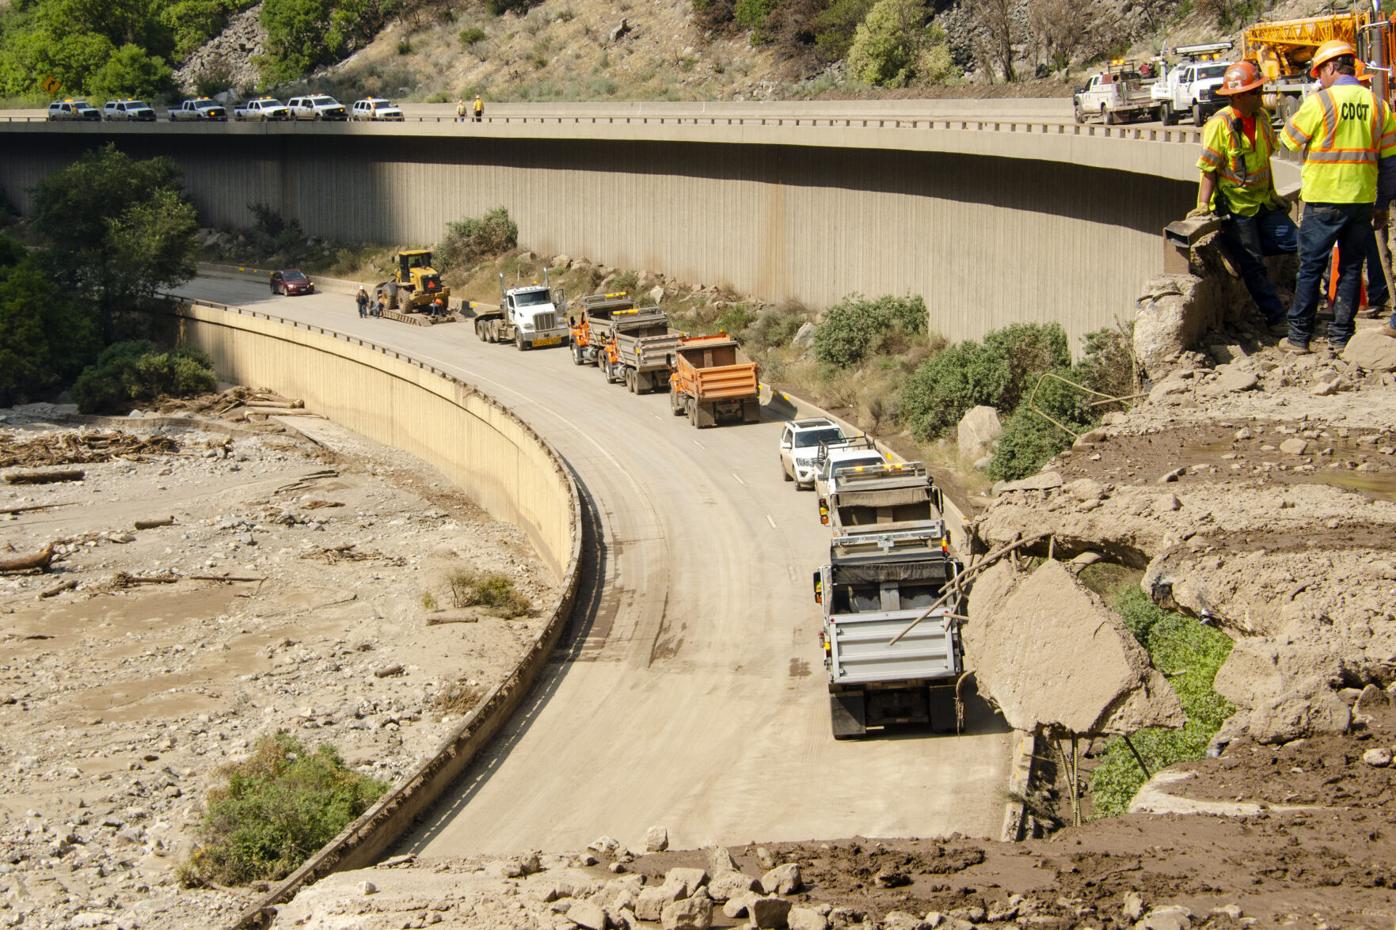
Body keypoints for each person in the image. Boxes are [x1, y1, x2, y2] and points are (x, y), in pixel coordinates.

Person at [1279, 39, 1396, 354]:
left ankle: (1299, 338)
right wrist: (1383, 205)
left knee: (1311, 267)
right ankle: (1341, 337)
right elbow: (1389, 163)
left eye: (1320, 73)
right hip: (1361, 201)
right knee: (1352, 268)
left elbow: (1288, 140)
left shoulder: (1320, 102)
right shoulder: (1378, 105)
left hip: (1324, 199)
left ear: (1331, 67)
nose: (1319, 79)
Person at [1191, 60, 1297, 334]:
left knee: (1295, 240)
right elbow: (1209, 169)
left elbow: (1265, 161)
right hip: (1237, 209)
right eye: (1256, 92)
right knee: (1253, 264)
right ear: (1239, 96)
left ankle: (1235, 248)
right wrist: (1203, 204)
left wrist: (1273, 194)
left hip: (1263, 203)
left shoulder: (1261, 119)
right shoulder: (1220, 124)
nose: (1261, 97)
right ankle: (1276, 319)